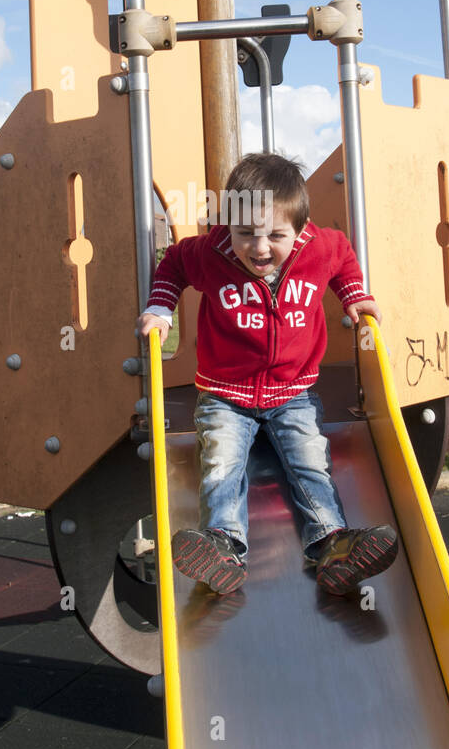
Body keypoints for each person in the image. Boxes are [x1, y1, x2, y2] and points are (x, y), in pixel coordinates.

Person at [135, 153, 399, 597]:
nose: (259, 248)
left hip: (293, 390)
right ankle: (222, 546)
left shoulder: (320, 247)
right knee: (220, 462)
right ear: (228, 226)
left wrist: (354, 295)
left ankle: (332, 544)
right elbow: (174, 265)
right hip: (225, 392)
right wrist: (161, 308)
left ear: (299, 229)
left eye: (275, 235)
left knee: (311, 459)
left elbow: (343, 259)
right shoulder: (211, 252)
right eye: (245, 234)